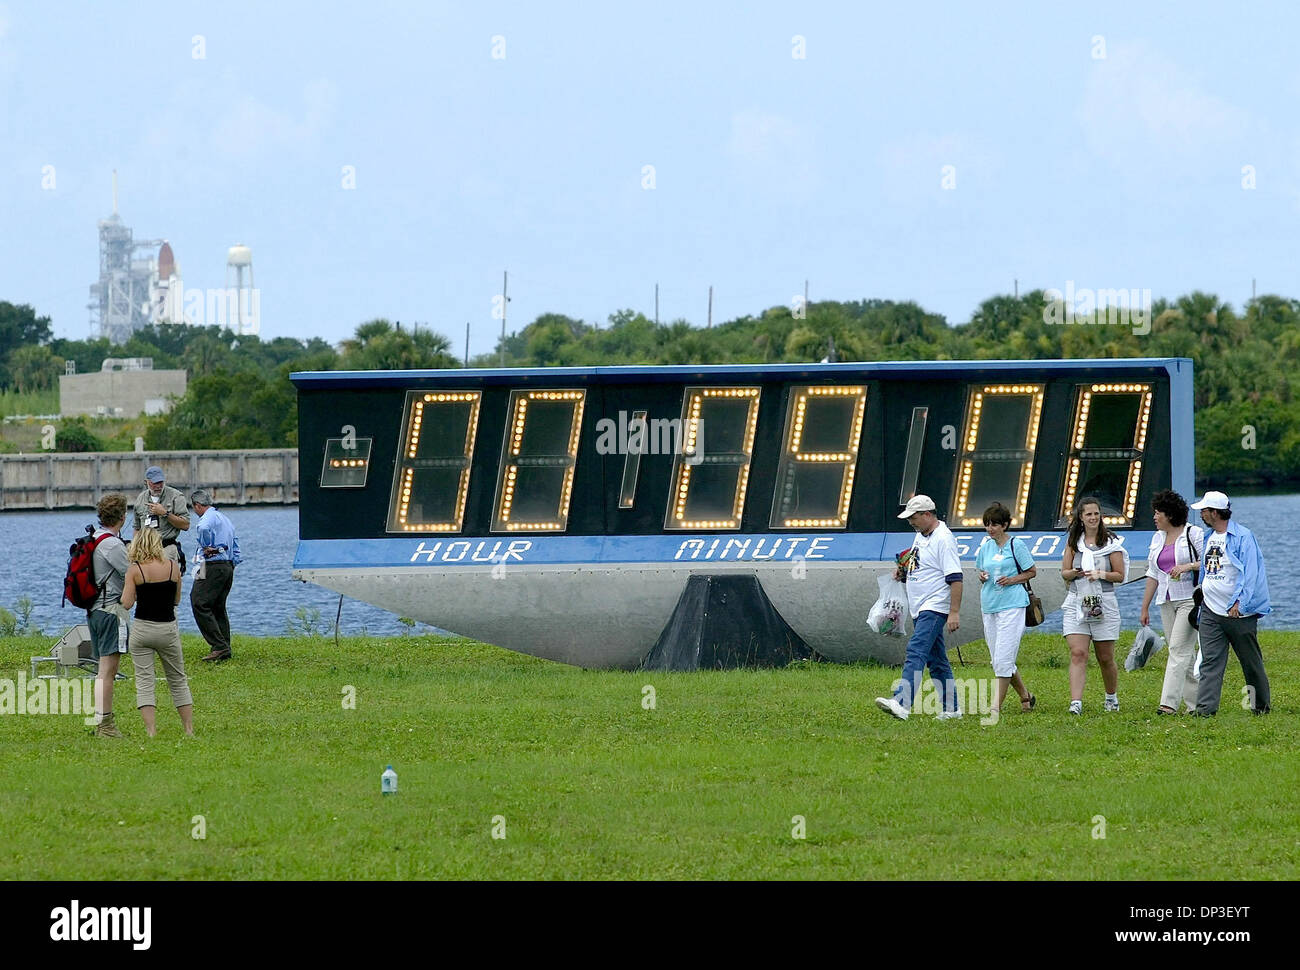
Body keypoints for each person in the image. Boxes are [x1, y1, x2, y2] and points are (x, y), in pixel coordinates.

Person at [875, 494, 962, 720]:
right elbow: (919, 564)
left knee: (916, 650)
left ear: (927, 514)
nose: (910, 522)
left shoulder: (943, 539)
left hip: (934, 606)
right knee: (937, 660)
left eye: (913, 518)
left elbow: (956, 578)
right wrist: (903, 572)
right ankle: (952, 709)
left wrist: (954, 612)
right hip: (919, 605)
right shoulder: (921, 536)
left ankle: (902, 702)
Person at [1190, 491, 1271, 716]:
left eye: (1205, 511)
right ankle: (1205, 710)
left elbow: (1251, 573)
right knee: (1210, 661)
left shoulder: (1243, 537)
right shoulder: (1208, 537)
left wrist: (1240, 603)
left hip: (1238, 614)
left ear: (1215, 513)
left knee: (1250, 663)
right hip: (1210, 611)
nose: (1202, 514)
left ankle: (1260, 706)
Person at [121, 526, 194, 736]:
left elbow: (126, 603)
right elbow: (177, 600)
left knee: (144, 681)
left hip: (143, 629)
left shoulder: (135, 570)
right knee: (178, 679)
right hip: (167, 629)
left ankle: (151, 731)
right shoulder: (173, 567)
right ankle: (188, 729)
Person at [1138, 490, 1203, 715]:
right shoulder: (1157, 538)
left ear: (1170, 514)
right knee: (1183, 652)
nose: (1155, 518)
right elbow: (1153, 573)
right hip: (1165, 600)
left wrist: (1187, 566)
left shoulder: (1193, 534)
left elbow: (1208, 561)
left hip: (1189, 599)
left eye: (1158, 513)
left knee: (1177, 649)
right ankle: (1197, 704)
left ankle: (1168, 704)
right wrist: (1145, 606)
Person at [1060, 496, 1126, 714]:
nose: (1093, 517)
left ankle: (1111, 697)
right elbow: (1065, 573)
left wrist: (1100, 574)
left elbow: (1119, 575)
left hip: (1103, 602)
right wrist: (1075, 573)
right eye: (1088, 514)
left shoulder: (1111, 544)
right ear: (1081, 517)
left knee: (1105, 657)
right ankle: (1076, 702)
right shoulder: (1073, 543)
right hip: (1077, 600)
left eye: (1096, 513)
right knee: (1078, 652)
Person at [975, 502, 1036, 719]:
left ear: (1005, 525)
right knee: (998, 659)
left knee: (1003, 658)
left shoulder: (1016, 545)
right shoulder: (985, 547)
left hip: (1013, 604)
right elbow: (981, 570)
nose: (990, 528)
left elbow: (1031, 571)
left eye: (995, 524)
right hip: (990, 605)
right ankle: (1025, 696)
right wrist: (982, 576)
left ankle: (994, 708)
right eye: (987, 524)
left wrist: (1012, 580)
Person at [87, 494, 130, 738]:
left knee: (102, 671)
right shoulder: (113, 545)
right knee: (107, 672)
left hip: (94, 610)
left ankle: (99, 720)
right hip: (111, 611)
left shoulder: (94, 538)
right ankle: (106, 725)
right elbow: (132, 572)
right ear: (122, 518)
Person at [190, 489, 241, 662]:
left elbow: (203, 528)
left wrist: (206, 545)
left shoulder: (207, 519)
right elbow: (236, 544)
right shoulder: (225, 519)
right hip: (226, 565)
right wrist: (232, 564)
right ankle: (224, 646)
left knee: (198, 601)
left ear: (197, 505)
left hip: (211, 564)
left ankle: (219, 646)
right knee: (218, 606)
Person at [132, 466, 190, 565]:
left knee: (166, 579)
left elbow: (185, 525)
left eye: (160, 482)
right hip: (145, 550)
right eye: (155, 483)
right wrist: (135, 549)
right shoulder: (140, 499)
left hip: (166, 548)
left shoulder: (176, 496)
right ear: (147, 482)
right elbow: (137, 528)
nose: (158, 486)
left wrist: (165, 513)